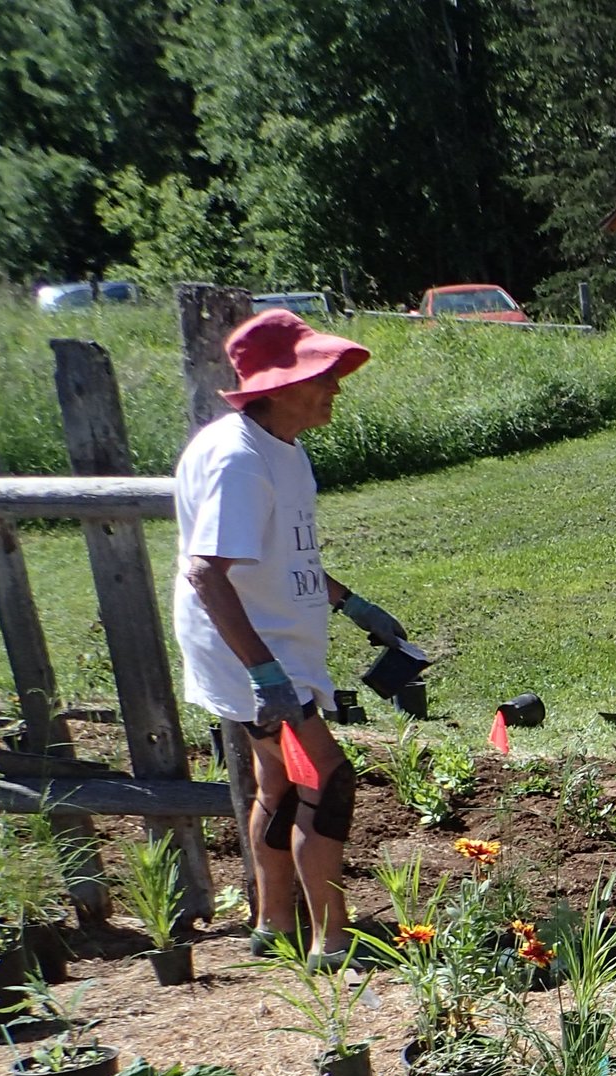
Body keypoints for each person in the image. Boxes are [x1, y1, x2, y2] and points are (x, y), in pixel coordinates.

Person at [171, 308, 403, 963]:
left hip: (272, 647)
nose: (334, 386)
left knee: (276, 783)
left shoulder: (283, 451)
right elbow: (205, 572)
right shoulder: (239, 459)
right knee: (327, 779)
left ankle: (274, 928)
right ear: (276, 385)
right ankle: (333, 941)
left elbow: (281, 554)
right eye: (319, 375)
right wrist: (264, 675)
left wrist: (350, 602)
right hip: (255, 654)